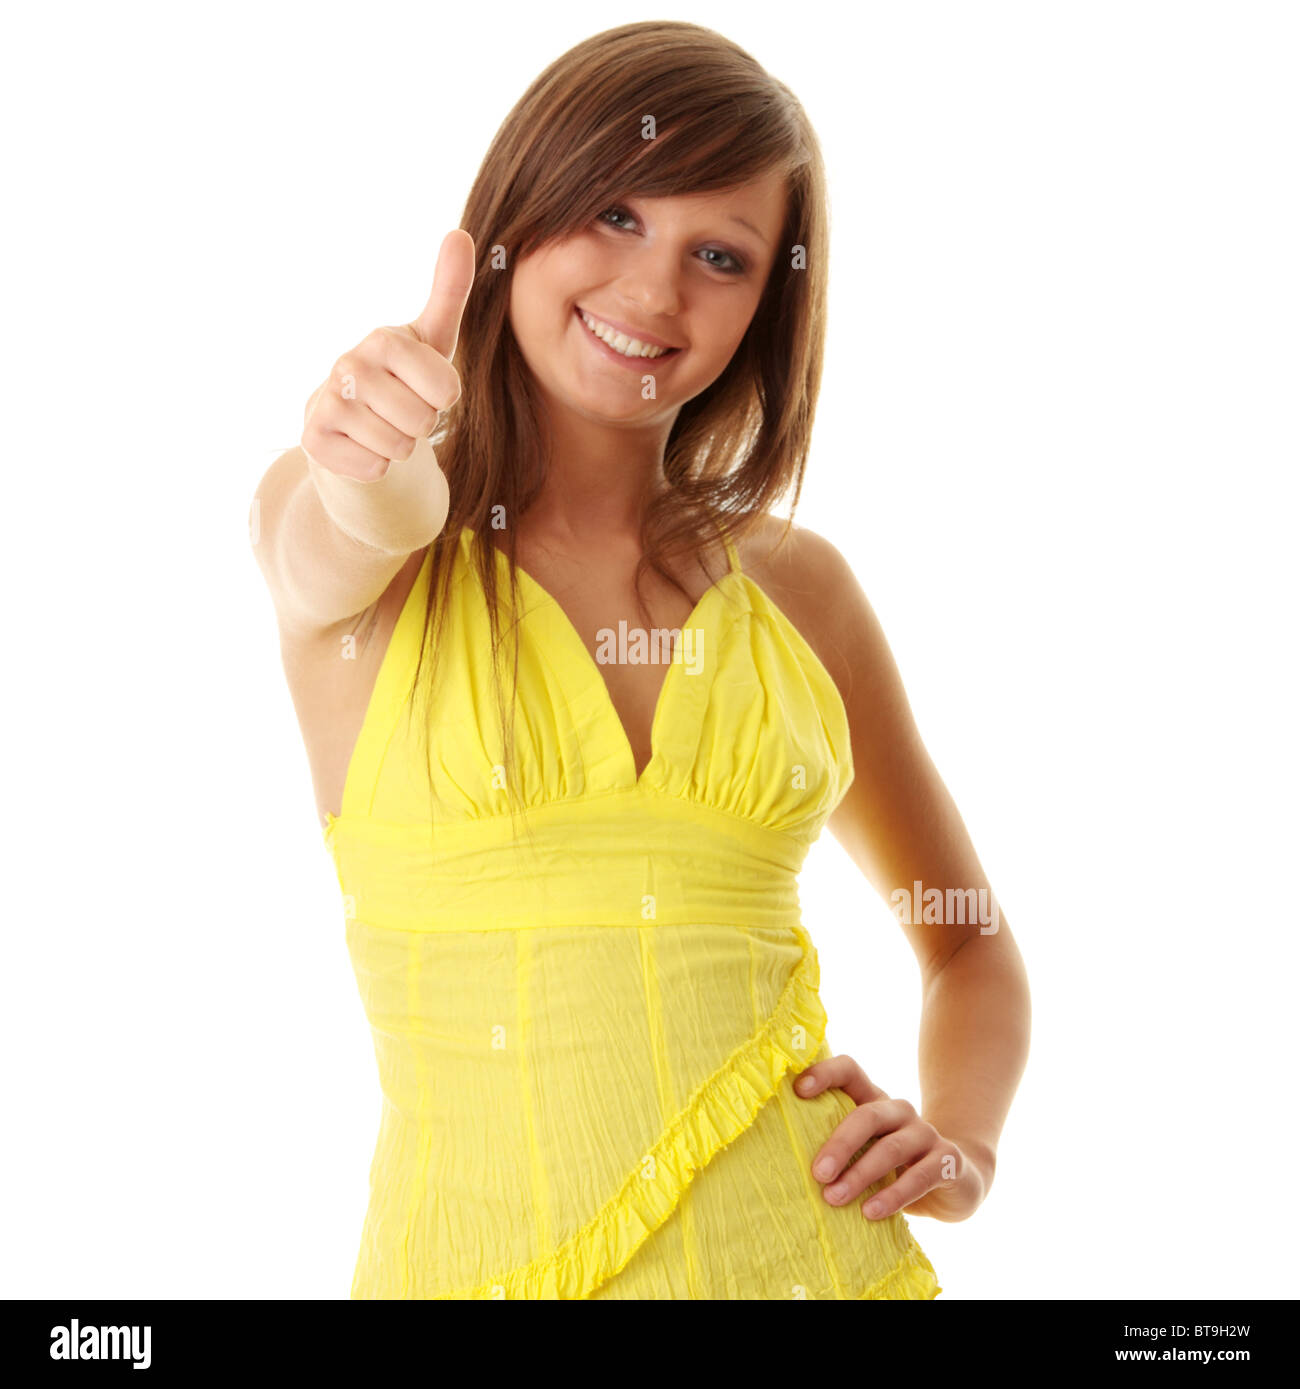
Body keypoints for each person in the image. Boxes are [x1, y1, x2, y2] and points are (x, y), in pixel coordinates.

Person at [250, 19, 1030, 1300]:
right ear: (518, 210)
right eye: (614, 214)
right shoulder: (360, 538)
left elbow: (966, 944)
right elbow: (337, 538)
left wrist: (962, 1146)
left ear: (766, 307)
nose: (654, 292)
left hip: (819, 1268)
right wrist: (374, 470)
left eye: (717, 256)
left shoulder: (799, 592)